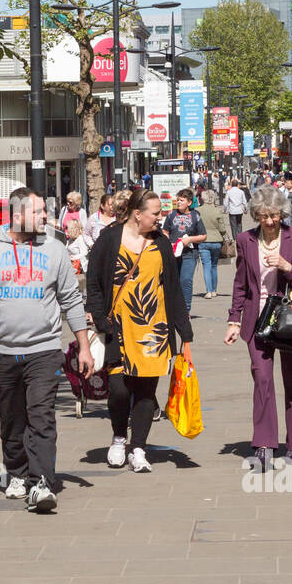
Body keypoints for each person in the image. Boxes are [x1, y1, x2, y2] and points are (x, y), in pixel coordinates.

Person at [0, 187, 92, 513]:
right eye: (38, 213)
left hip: (44, 350)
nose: (46, 217)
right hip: (1, 351)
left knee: (41, 416)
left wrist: (85, 347)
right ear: (17, 216)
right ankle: (16, 471)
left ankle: (43, 483)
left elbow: (72, 300)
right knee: (11, 418)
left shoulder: (55, 249)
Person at [87, 188, 194, 473]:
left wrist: (185, 332)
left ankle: (138, 448)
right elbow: (94, 281)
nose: (161, 218)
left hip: (154, 329)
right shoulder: (109, 239)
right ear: (137, 214)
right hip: (118, 328)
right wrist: (100, 319)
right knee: (119, 390)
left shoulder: (160, 243)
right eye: (156, 213)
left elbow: (172, 289)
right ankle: (119, 437)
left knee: (146, 392)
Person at [224, 186, 292, 471]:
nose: (270, 221)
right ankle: (264, 444)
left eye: (274, 215)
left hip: (290, 319)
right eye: (264, 216)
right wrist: (233, 320)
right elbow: (240, 284)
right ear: (255, 216)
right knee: (262, 379)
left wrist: (287, 266)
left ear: (282, 213)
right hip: (256, 319)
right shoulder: (245, 240)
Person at [160, 188, 207, 315]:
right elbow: (165, 231)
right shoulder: (171, 215)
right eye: (178, 200)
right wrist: (168, 241)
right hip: (172, 254)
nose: (178, 202)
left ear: (189, 202)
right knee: (172, 281)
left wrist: (190, 239)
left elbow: (203, 236)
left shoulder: (195, 215)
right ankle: (172, 309)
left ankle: (185, 311)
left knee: (186, 281)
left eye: (182, 200)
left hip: (189, 254)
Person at [195, 189, 233, 300]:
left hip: (203, 241)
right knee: (214, 266)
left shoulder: (198, 211)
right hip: (216, 240)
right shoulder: (217, 211)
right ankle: (215, 290)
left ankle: (209, 291)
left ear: (202, 198)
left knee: (206, 266)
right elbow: (222, 228)